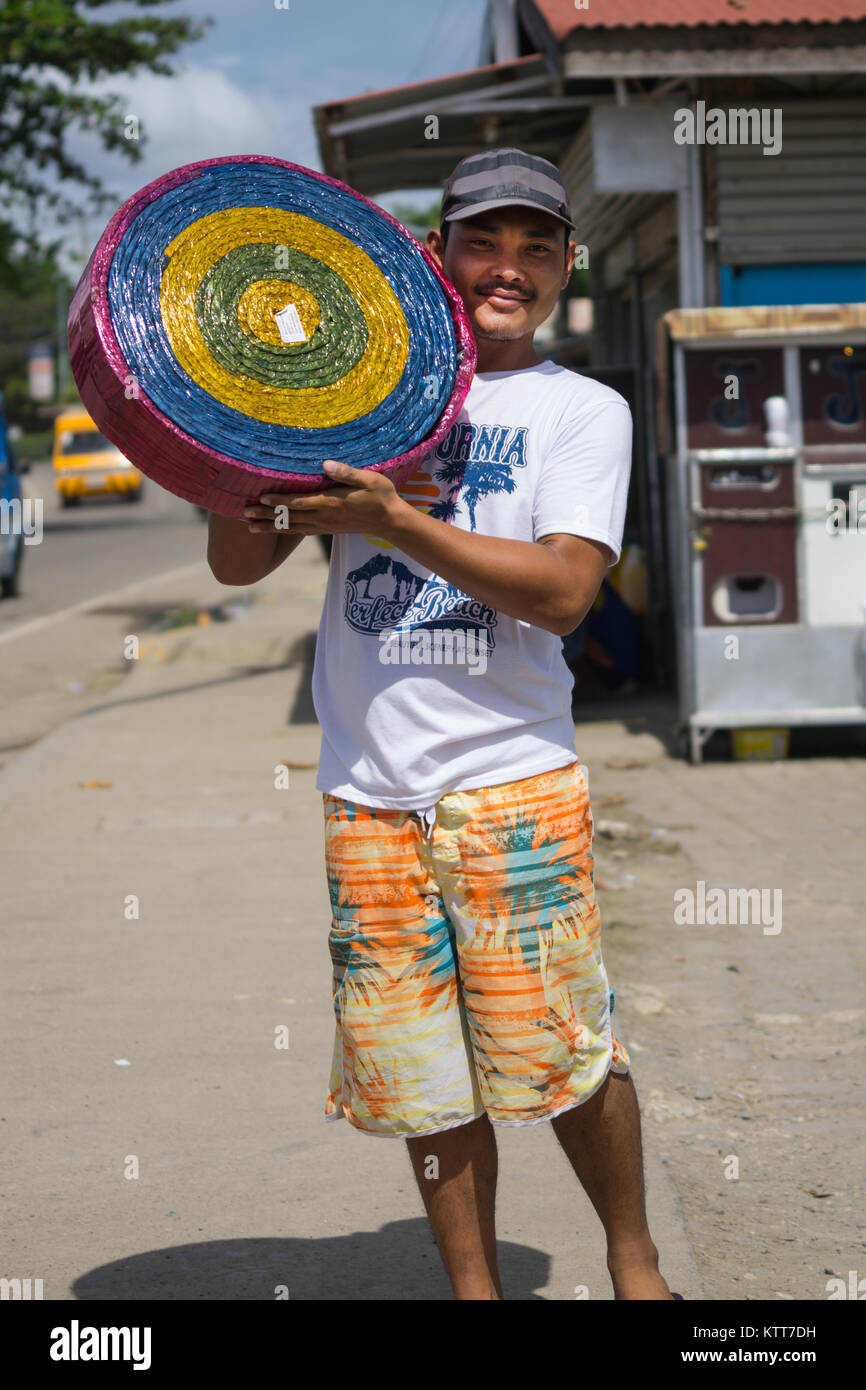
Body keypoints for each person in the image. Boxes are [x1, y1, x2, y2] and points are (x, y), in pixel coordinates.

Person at [207, 148, 676, 1301]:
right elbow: (234, 558)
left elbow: (564, 593)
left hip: (510, 783)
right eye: (481, 242)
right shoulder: (357, 392)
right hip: (366, 791)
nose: (503, 269)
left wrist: (392, 517)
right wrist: (239, 439)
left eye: (532, 247)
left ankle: (636, 1265)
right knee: (423, 1075)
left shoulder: (580, 409)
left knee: (562, 1052)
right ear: (434, 257)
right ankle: (473, 1293)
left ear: (567, 264)